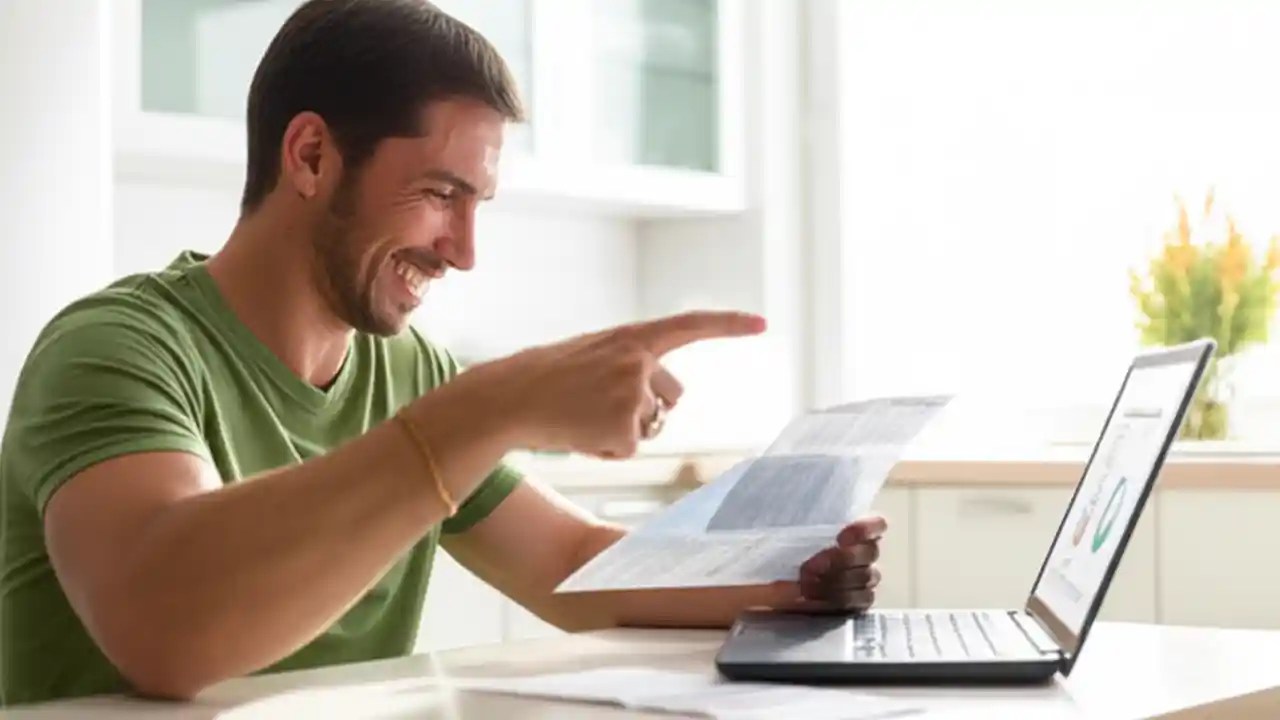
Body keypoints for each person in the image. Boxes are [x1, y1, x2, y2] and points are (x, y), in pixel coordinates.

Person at [0, 0, 885, 706]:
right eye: (436, 193)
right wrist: (496, 404)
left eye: (477, 204)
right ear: (310, 156)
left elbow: (570, 565)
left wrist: (784, 578)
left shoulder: (409, 372)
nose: (463, 250)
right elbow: (164, 636)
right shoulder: (116, 348)